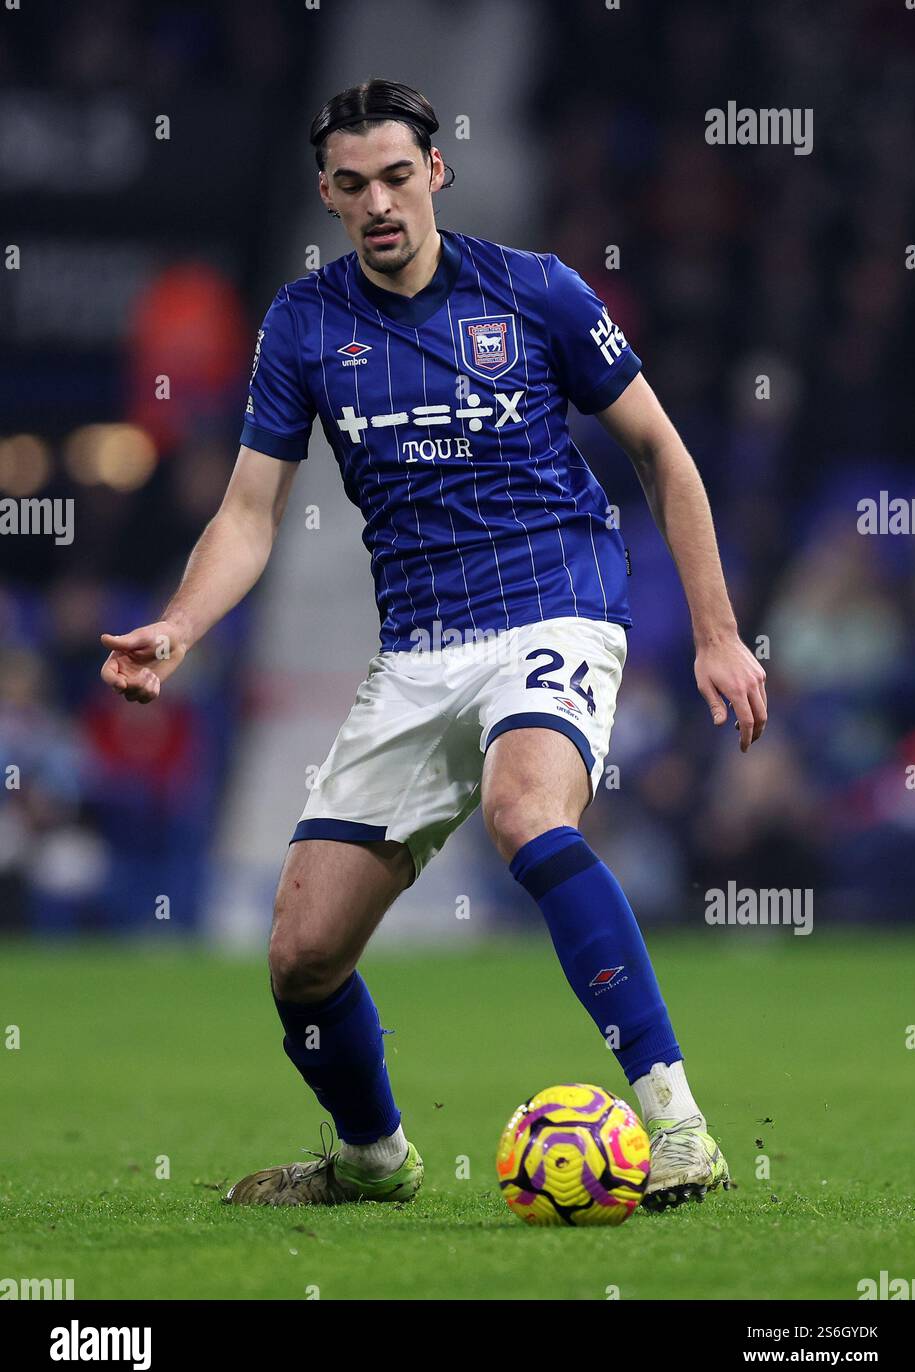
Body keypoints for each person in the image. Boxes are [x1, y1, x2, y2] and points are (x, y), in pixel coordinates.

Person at [100, 78, 766, 1213]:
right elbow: (250, 513)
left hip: (555, 604)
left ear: (436, 173)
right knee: (301, 956)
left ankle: (679, 1125)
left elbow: (663, 452)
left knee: (525, 810)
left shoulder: (535, 291)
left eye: (397, 177)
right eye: (352, 185)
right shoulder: (304, 326)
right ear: (326, 193)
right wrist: (179, 623)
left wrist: (716, 634)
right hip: (415, 651)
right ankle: (372, 1156)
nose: (378, 204)